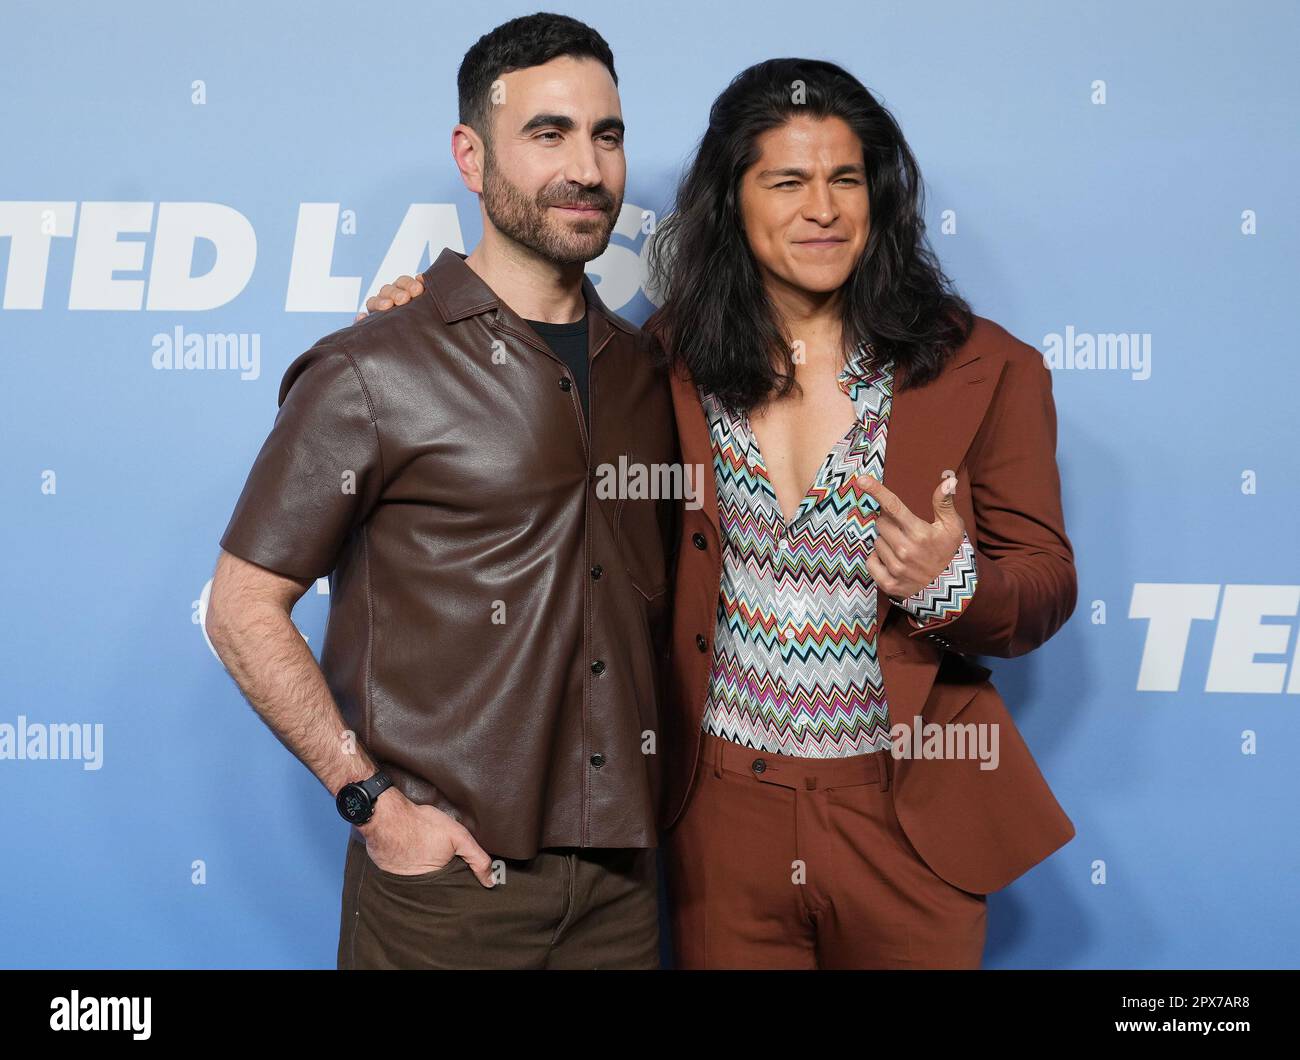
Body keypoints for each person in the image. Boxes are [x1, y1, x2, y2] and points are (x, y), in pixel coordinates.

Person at [367, 58, 1077, 969]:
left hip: (908, 815)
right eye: (787, 180)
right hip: (719, 816)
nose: (823, 208)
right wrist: (420, 313)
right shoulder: (667, 359)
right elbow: (525, 342)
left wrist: (954, 587)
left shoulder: (986, 367)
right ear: (733, 202)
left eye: (846, 179)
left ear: (881, 197)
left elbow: (1047, 585)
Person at [207, 12, 677, 970]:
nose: (587, 167)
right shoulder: (374, 367)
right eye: (548, 133)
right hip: (446, 893)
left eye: (608, 134)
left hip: (626, 894)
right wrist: (370, 804)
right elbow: (240, 608)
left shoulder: (652, 371)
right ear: (472, 155)